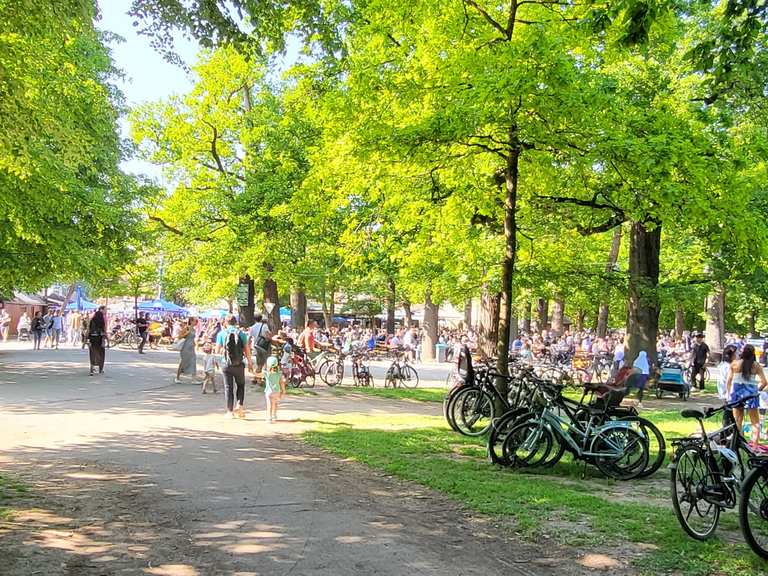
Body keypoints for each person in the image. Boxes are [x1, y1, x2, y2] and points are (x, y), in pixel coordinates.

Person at [726, 344, 768, 445]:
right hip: (751, 394)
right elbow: (764, 382)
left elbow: (729, 381)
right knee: (755, 422)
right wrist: (757, 391)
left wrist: (728, 393)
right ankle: (754, 446)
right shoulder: (756, 366)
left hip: (737, 394)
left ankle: (737, 443)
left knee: (737, 421)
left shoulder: (735, 364)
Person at [215, 316, 252, 419]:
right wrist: (250, 363)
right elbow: (247, 350)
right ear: (236, 322)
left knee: (228, 387)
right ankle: (240, 407)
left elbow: (217, 350)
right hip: (239, 364)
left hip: (226, 364)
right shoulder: (241, 334)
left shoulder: (222, 334)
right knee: (240, 385)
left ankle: (229, 411)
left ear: (226, 322)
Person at [248, 313, 273, 379]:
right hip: (264, 347)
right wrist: (270, 337)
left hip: (256, 346)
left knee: (259, 364)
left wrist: (248, 348)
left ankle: (256, 378)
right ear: (261, 318)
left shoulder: (252, 327)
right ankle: (261, 378)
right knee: (266, 363)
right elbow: (268, 336)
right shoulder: (264, 326)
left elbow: (249, 339)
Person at [174, 317, 198, 383]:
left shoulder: (194, 329)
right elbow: (179, 336)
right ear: (191, 321)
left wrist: (194, 343)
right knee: (183, 362)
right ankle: (177, 377)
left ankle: (194, 379)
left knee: (193, 361)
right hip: (185, 347)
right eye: (195, 321)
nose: (196, 322)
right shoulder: (187, 327)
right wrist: (187, 333)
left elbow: (192, 338)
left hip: (191, 347)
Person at [263, 355, 286, 422]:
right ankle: (274, 416)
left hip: (269, 391)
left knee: (269, 404)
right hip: (277, 391)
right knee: (275, 404)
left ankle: (269, 417)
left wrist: (253, 372)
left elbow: (259, 375)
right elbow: (281, 382)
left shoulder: (267, 373)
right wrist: (283, 390)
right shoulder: (279, 373)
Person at [87, 307, 107, 375]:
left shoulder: (92, 320)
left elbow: (89, 330)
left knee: (92, 354)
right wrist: (105, 339)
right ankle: (100, 369)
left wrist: (87, 339)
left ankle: (92, 370)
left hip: (92, 339)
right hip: (99, 339)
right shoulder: (102, 321)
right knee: (101, 354)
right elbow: (103, 331)